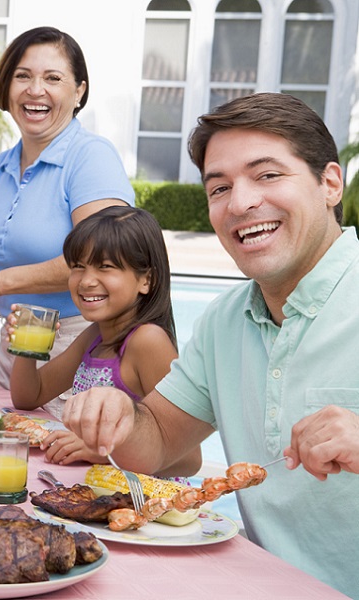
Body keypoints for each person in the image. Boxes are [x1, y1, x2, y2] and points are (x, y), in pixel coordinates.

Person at [61, 93, 359, 597]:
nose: (240, 203)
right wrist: (121, 414)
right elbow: (158, 440)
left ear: (330, 183)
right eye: (219, 186)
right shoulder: (224, 320)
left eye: (267, 175)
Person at [0, 26, 134, 389]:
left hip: (80, 343)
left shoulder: (91, 157)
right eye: (23, 77)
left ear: (79, 92)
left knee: (58, 447)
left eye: (53, 78)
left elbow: (101, 259)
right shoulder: (2, 165)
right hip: (17, 340)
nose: (35, 90)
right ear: (6, 87)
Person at [8, 206, 199, 475]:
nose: (86, 281)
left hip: (144, 503)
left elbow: (189, 458)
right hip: (96, 490)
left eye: (105, 267)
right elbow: (30, 396)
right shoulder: (96, 336)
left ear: (147, 280)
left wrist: (100, 452)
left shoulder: (147, 342)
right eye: (78, 267)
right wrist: (25, 346)